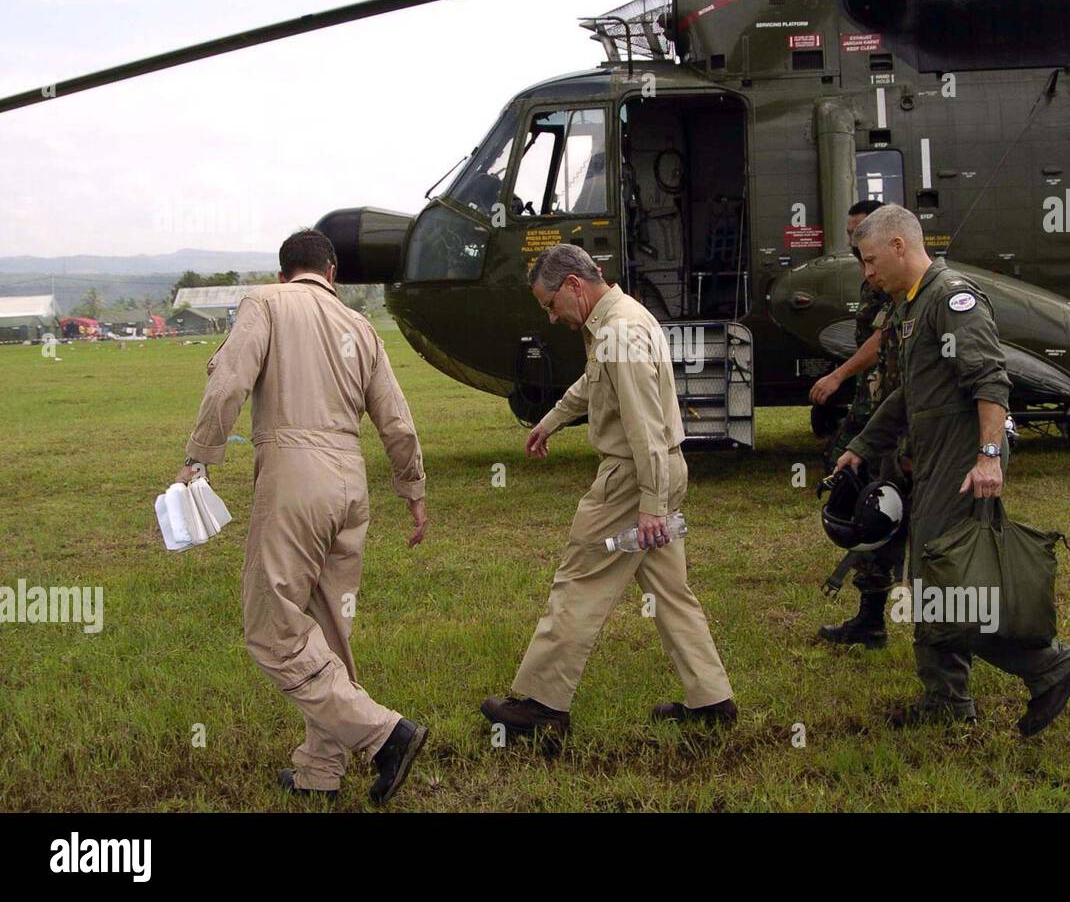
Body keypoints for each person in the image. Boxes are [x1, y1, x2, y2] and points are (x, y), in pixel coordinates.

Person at [177, 229, 430, 803]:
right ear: (332, 271)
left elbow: (229, 384)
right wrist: (413, 489)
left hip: (294, 476)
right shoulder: (360, 327)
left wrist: (199, 458)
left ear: (285, 270)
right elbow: (396, 419)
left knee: (272, 629)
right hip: (350, 484)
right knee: (328, 628)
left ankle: (384, 733)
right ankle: (320, 771)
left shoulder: (264, 303)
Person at [836, 205, 1070, 733]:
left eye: (869, 260)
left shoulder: (953, 299)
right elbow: (912, 393)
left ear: (900, 246)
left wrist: (988, 457)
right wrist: (862, 446)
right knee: (932, 578)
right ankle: (946, 699)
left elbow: (992, 382)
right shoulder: (912, 306)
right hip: (932, 458)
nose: (866, 273)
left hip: (961, 459)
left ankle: (1051, 667)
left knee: (943, 583)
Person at [481, 244, 735, 737]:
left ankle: (541, 707)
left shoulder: (619, 332)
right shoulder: (617, 320)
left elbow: (645, 426)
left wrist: (651, 506)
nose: (552, 318)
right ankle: (711, 701)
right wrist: (551, 420)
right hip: (655, 474)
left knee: (580, 581)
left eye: (551, 305)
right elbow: (593, 385)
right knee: (669, 593)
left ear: (574, 285)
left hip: (632, 479)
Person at [810, 199, 903, 648]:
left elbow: (883, 338)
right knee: (863, 494)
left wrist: (838, 375)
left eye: (862, 234)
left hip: (889, 412)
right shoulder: (874, 276)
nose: (854, 244)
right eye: (850, 235)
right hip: (878, 404)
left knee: (873, 499)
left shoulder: (900, 283)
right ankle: (871, 616)